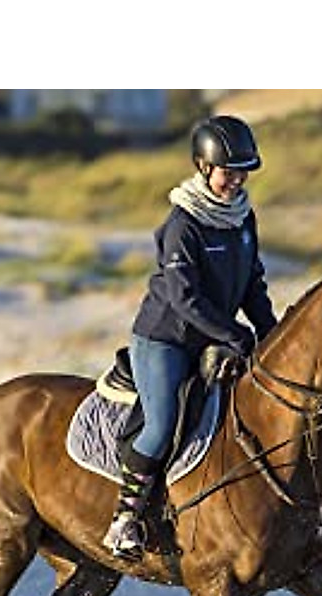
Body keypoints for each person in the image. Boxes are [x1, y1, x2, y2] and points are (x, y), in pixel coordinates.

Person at [104, 115, 278, 560]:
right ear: (203, 166)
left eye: (243, 171)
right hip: (167, 338)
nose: (237, 180)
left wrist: (270, 333)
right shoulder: (183, 224)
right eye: (229, 171)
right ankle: (125, 519)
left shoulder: (243, 218)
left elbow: (253, 284)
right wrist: (232, 332)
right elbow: (184, 299)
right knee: (162, 425)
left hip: (216, 337)